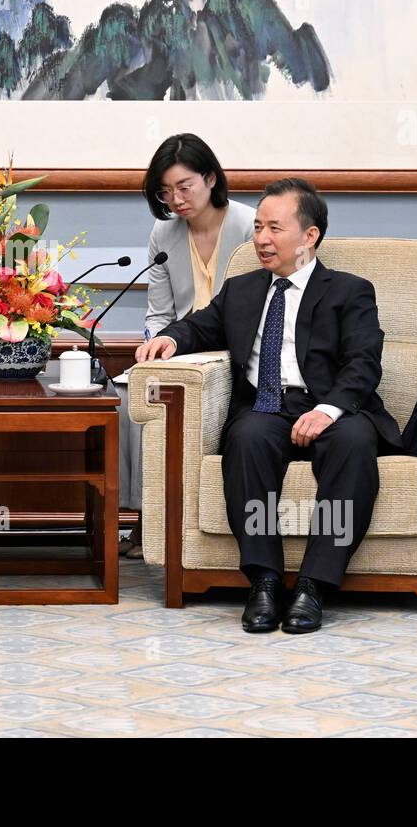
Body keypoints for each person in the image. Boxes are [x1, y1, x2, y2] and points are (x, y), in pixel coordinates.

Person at [135, 177, 410, 634]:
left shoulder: (349, 291)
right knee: (245, 437)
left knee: (355, 442)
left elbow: (363, 364)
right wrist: (170, 337)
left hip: (329, 407)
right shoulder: (242, 290)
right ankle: (263, 581)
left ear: (309, 236)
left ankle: (314, 586)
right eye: (258, 226)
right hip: (265, 406)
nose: (261, 239)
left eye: (274, 228)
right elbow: (199, 327)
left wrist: (328, 411)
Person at [115, 134, 255, 559]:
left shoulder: (250, 226)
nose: (175, 199)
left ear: (211, 179)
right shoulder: (164, 232)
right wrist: (154, 345)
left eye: (184, 186)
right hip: (180, 350)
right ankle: (142, 519)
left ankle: (163, 524)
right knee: (128, 392)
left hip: (236, 352)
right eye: (165, 191)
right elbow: (159, 312)